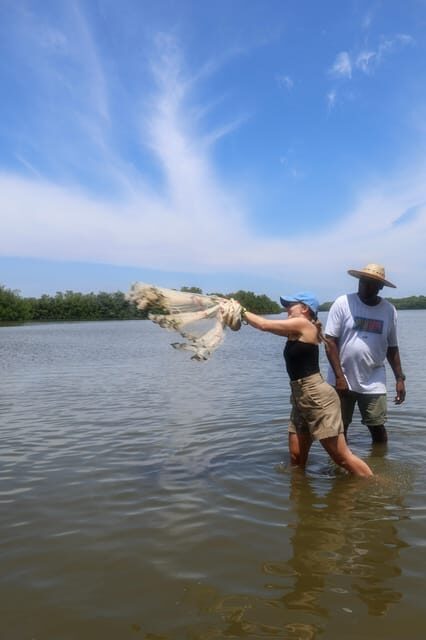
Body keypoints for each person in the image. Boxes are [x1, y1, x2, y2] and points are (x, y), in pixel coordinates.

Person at [238, 292, 373, 477]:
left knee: (341, 457)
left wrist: (241, 310)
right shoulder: (295, 330)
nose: (286, 309)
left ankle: (377, 485)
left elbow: (264, 324)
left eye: (290, 305)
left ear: (304, 309)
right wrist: (242, 315)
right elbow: (267, 327)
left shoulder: (303, 324)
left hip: (316, 396)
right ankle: (300, 496)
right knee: (296, 457)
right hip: (300, 396)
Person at [325, 263, 406, 444]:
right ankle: (340, 468)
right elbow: (330, 342)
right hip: (342, 378)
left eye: (371, 283)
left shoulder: (389, 310)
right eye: (363, 281)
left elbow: (392, 347)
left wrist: (400, 378)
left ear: (381, 287)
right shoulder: (343, 303)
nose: (365, 286)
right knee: (339, 428)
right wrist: (339, 377)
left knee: (377, 426)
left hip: (374, 379)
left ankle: (379, 464)